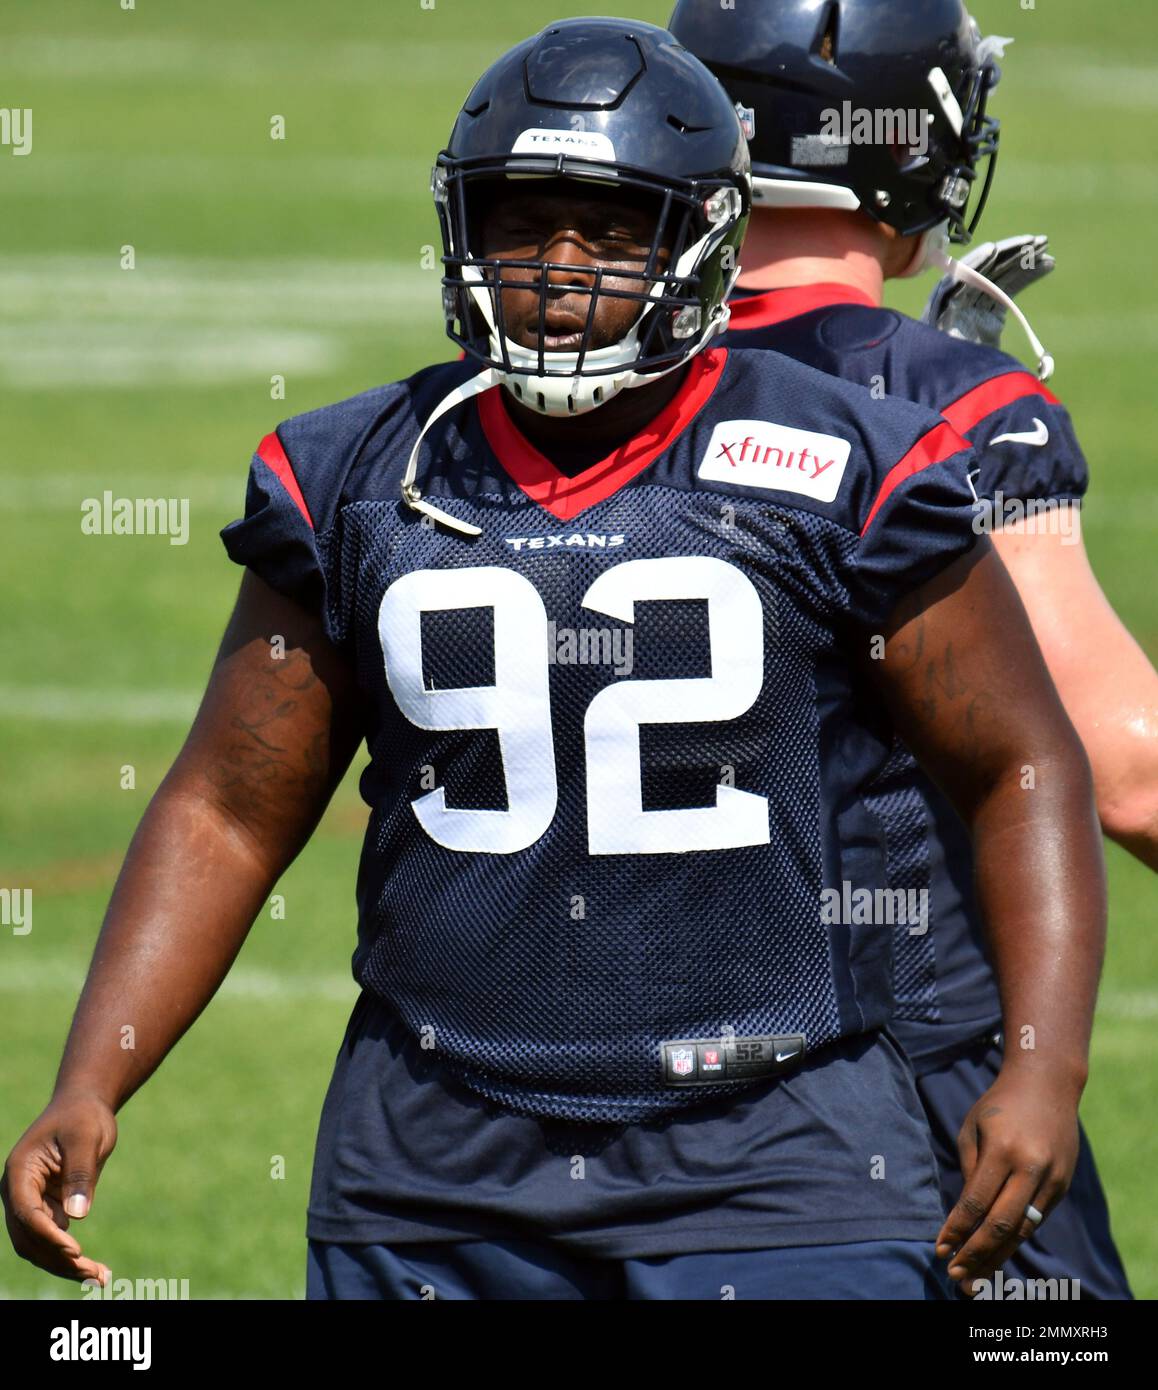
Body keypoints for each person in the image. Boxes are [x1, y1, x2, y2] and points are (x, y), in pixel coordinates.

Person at [2, 18, 1106, 1302]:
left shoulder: (851, 465)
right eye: (523, 222)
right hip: (431, 1161)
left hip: (782, 1157)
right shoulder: (358, 477)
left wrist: (1043, 1061)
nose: (561, 267)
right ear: (463, 233)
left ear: (701, 238)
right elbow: (229, 806)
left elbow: (1021, 763)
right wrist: (93, 1073)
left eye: (611, 226)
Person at [668, 0, 1153, 1297]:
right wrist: (932, 409)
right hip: (880, 1073)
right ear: (911, 140)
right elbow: (1129, 772)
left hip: (564, 1089)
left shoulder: (559, 392)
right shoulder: (946, 407)